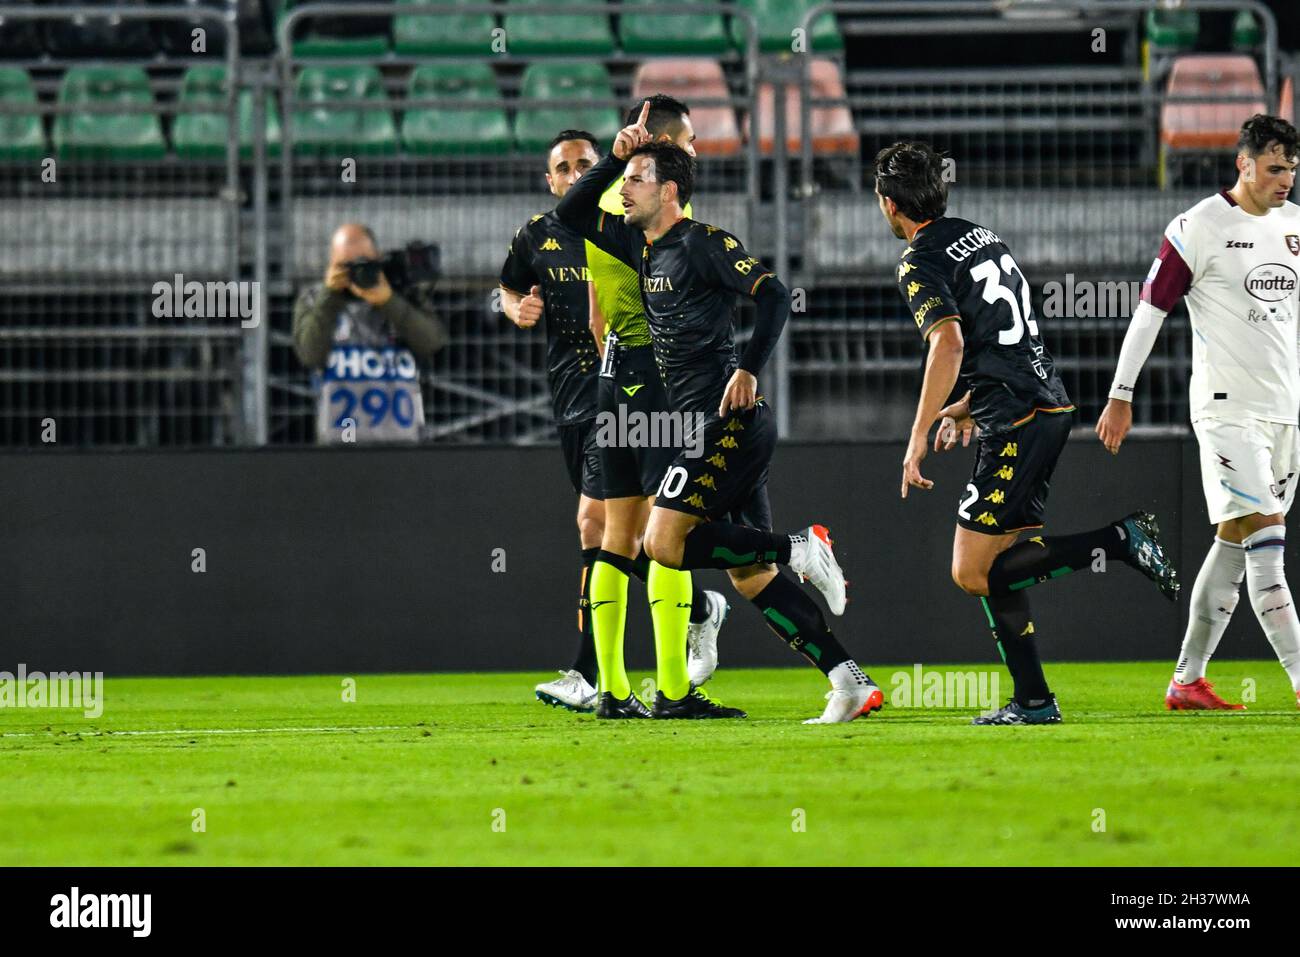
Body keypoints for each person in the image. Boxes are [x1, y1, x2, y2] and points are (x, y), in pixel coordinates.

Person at [556, 104, 881, 724]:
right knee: (751, 570)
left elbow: (775, 294)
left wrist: (749, 367)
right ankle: (849, 679)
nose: (625, 189)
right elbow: (570, 213)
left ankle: (801, 546)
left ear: (670, 190)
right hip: (693, 426)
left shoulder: (704, 244)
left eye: (636, 180)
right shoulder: (638, 242)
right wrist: (616, 159)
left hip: (726, 423)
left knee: (662, 542)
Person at [875, 140, 1179, 725]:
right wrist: (965, 407)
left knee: (972, 571)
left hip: (1018, 419)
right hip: (1040, 406)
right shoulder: (980, 235)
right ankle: (1034, 699)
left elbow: (950, 342)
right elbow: (1003, 337)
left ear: (889, 204)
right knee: (999, 562)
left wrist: (916, 437)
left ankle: (1119, 540)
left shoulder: (919, 260)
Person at [500, 130, 723, 715]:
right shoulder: (558, 231)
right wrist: (511, 305)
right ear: (549, 178)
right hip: (598, 389)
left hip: (623, 382)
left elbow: (602, 308)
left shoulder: (621, 219)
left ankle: (600, 680)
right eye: (563, 167)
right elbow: (509, 286)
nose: (576, 175)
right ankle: (679, 655)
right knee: (634, 532)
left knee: (606, 527)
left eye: (587, 165)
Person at [1097, 114, 1300, 711]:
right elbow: (1150, 311)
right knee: (1268, 537)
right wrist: (1120, 393)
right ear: (1243, 163)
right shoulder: (1198, 227)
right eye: (1274, 168)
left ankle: (1187, 680)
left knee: (1236, 540)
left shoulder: (1295, 226)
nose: (1285, 179)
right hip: (1226, 411)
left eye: (1291, 168)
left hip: (1284, 412)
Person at [582, 95, 728, 714]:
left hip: (613, 371)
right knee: (667, 530)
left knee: (617, 535)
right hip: (658, 374)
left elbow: (595, 304)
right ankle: (672, 687)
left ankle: (613, 691)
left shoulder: (600, 204)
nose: (695, 150)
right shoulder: (662, 207)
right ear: (666, 146)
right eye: (687, 140)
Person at [292, 223, 445, 444]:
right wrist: (330, 295)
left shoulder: (403, 294)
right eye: (346, 265)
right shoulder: (314, 299)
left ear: (378, 258)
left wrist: (387, 300)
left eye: (364, 263)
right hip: (338, 447)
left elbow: (432, 342)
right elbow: (309, 354)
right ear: (331, 264)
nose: (357, 272)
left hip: (404, 444)